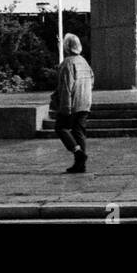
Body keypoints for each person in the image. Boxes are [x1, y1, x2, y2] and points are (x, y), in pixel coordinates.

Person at [51, 34, 94, 174]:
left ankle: (78, 153)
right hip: (85, 102)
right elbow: (92, 81)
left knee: (60, 127)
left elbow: (66, 87)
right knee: (79, 131)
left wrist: (65, 106)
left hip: (72, 103)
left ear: (67, 47)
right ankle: (80, 165)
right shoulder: (84, 61)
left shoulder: (67, 63)